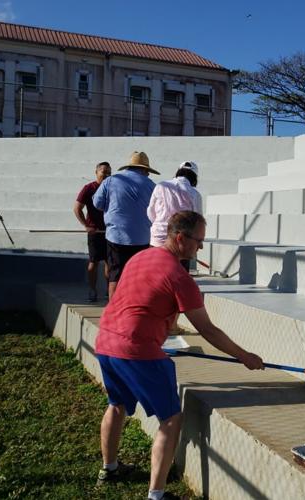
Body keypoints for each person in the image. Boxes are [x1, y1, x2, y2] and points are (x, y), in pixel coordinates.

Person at [94, 211, 264, 498]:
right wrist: (244, 356)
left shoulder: (140, 258)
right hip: (136, 349)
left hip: (106, 342)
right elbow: (207, 330)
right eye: (198, 241)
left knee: (116, 405)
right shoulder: (179, 277)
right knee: (171, 419)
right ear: (180, 237)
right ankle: (156, 495)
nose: (200, 247)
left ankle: (109, 468)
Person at [92, 151, 157, 299]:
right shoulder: (153, 186)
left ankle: (113, 312)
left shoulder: (110, 181)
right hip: (142, 239)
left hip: (116, 236)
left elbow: (97, 203)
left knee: (115, 274)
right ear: (145, 170)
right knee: (138, 277)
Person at [147, 161, 202, 272]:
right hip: (181, 242)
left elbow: (151, 212)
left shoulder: (161, 186)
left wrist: (162, 225)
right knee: (179, 279)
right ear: (194, 177)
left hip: (158, 239)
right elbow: (197, 221)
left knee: (155, 275)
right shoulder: (194, 194)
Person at [74, 162, 112, 302]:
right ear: (96, 172)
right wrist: (86, 225)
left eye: (109, 172)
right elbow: (77, 208)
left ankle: (110, 290)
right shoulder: (89, 188)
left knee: (110, 262)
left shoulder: (112, 188)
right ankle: (92, 289)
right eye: (103, 172)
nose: (107, 174)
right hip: (95, 232)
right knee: (94, 262)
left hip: (109, 231)